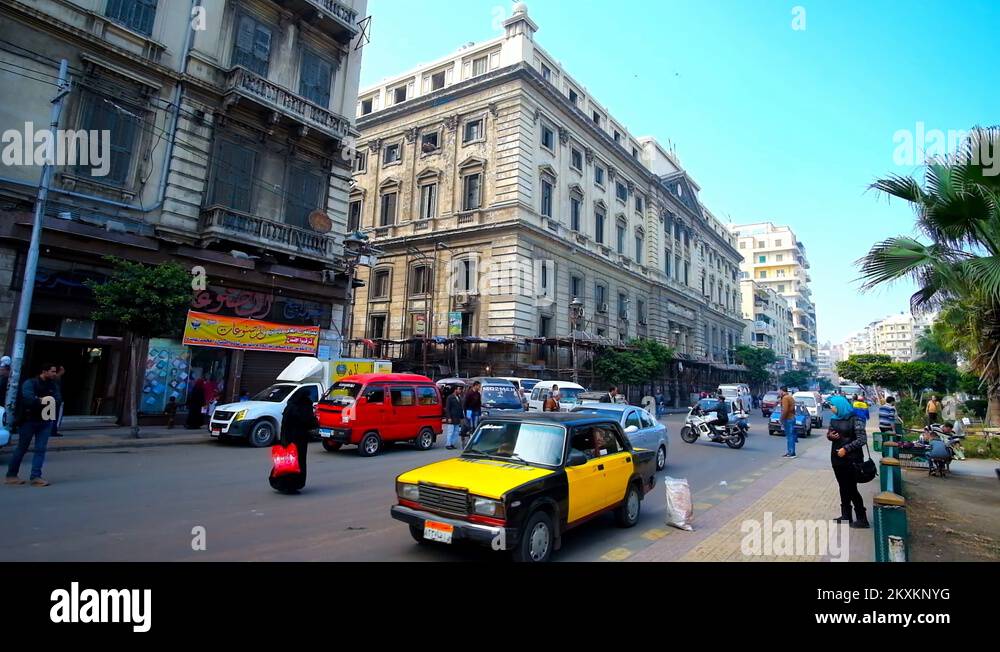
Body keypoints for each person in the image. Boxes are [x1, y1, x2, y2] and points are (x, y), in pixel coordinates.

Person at [5, 362, 60, 487]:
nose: (54, 374)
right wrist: (45, 401)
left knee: (40, 449)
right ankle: (11, 475)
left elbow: (57, 400)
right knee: (22, 448)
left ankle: (36, 476)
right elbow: (29, 399)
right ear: (44, 371)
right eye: (52, 371)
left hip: (45, 421)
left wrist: (41, 400)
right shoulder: (30, 383)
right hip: (29, 421)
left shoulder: (53, 385)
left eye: (55, 372)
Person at [269, 387, 319, 494]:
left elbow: (284, 424)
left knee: (285, 461)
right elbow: (309, 422)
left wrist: (282, 439)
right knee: (297, 462)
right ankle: (292, 486)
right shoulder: (304, 406)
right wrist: (316, 421)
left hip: (286, 439)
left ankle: (280, 483)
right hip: (299, 440)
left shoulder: (290, 406)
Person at [827, 407, 870, 528]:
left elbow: (862, 439)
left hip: (852, 460)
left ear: (841, 404)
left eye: (833, 405)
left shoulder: (855, 419)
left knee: (851, 488)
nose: (832, 408)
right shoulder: (834, 419)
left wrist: (846, 449)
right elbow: (829, 433)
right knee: (842, 487)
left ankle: (862, 518)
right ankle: (846, 515)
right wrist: (831, 436)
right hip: (836, 459)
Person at [444, 384, 465, 450]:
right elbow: (447, 408)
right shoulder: (450, 397)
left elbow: (460, 408)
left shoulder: (459, 397)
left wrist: (462, 417)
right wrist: (449, 417)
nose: (460, 390)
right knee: (450, 431)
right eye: (459, 389)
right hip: (451, 417)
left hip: (457, 417)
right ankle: (448, 444)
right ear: (455, 390)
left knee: (456, 431)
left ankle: (452, 443)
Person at [779, 386, 797, 459]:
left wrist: (781, 419)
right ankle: (791, 451)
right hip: (792, 417)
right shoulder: (790, 397)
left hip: (788, 418)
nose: (779, 393)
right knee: (791, 436)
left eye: (779, 391)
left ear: (782, 391)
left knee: (789, 437)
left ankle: (791, 452)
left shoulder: (785, 398)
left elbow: (785, 410)